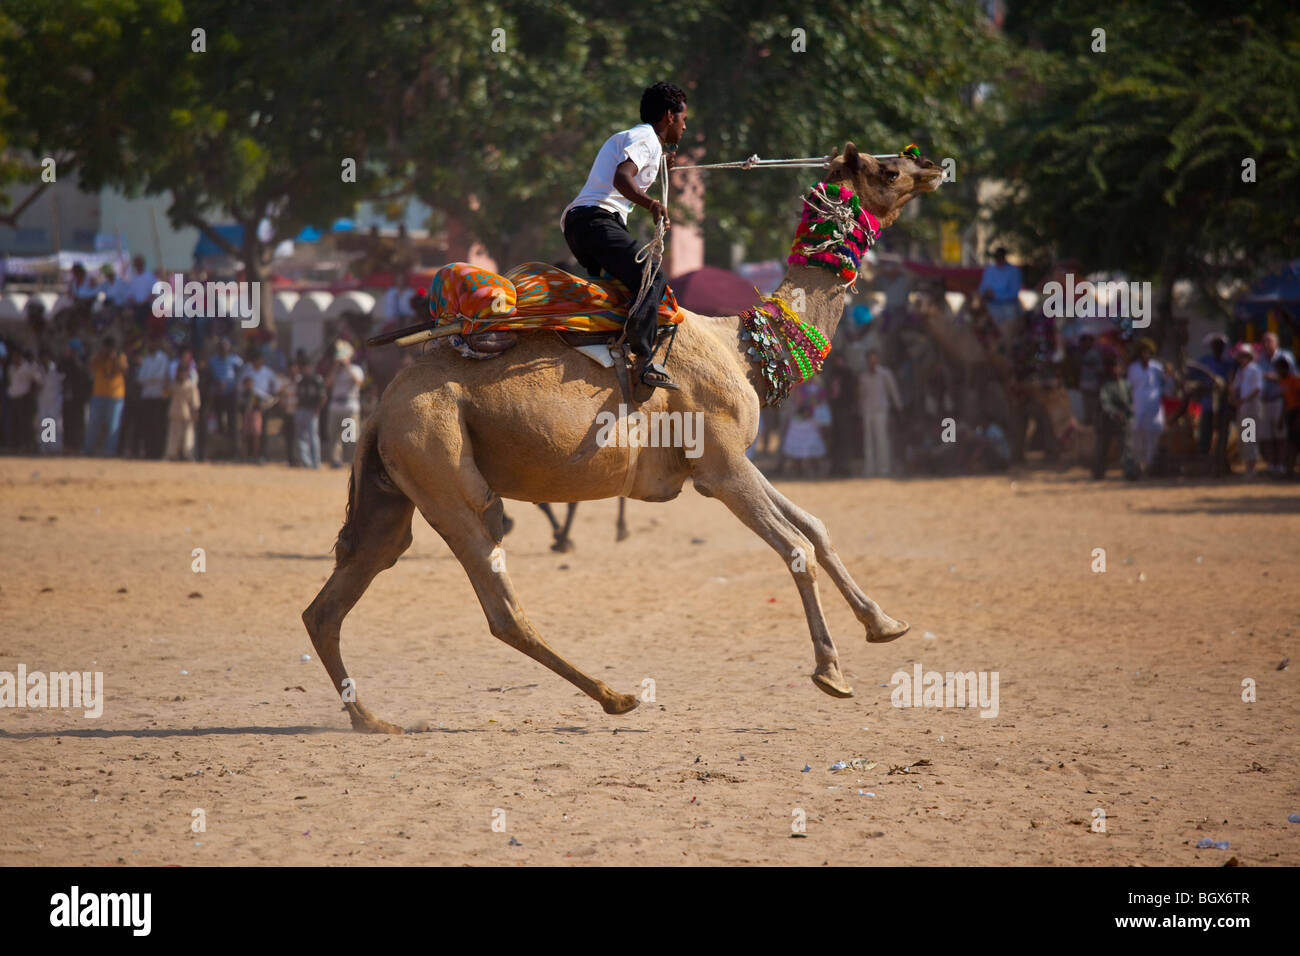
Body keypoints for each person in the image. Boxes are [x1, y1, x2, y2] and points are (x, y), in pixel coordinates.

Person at [561, 81, 687, 392]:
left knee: (622, 289)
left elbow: (629, 168)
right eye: (684, 119)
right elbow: (622, 177)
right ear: (669, 116)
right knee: (653, 278)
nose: (685, 127)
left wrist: (662, 162)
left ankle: (604, 345)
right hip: (597, 222)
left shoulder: (640, 139)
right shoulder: (646, 138)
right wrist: (652, 204)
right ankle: (643, 358)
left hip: (581, 227)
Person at [1256, 332, 1297, 475]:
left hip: (1280, 401)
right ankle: (1271, 464)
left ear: (1276, 343)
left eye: (1269, 341)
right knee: (1266, 436)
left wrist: (1274, 377)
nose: (1266, 344)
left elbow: (1292, 376)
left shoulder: (1285, 357)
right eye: (1264, 341)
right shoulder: (1259, 360)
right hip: (1263, 402)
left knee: (1281, 435)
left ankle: (1281, 464)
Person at [858, 349, 902, 477]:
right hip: (867, 410)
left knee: (882, 439)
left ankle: (884, 469)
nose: (872, 361)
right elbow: (861, 395)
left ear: (877, 359)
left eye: (874, 358)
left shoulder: (885, 374)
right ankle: (869, 470)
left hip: (881, 410)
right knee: (868, 441)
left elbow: (893, 390)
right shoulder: (863, 376)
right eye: (869, 359)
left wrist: (899, 406)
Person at [1126, 337, 1166, 477]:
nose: (1146, 355)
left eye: (1148, 352)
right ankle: (1138, 466)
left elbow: (1167, 383)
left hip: (1154, 408)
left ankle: (1150, 467)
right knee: (1137, 438)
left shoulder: (1157, 367)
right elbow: (1129, 387)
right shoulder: (1133, 368)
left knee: (1152, 438)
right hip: (1137, 407)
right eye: (1144, 352)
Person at [84, 336, 128, 456]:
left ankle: (110, 452)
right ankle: (88, 451)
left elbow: (124, 370)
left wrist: (115, 358)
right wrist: (100, 355)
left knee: (113, 425)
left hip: (116, 396)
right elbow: (90, 366)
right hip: (98, 394)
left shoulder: (121, 356)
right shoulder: (99, 357)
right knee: (93, 424)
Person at [1093, 351, 1133, 480]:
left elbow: (1131, 401)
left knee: (1126, 447)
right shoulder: (1106, 385)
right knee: (1102, 448)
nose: (1116, 369)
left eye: (1118, 366)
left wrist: (1129, 412)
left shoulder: (1126, 384)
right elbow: (1105, 403)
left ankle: (1130, 472)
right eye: (1114, 367)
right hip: (1107, 422)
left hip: (1123, 422)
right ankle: (1098, 473)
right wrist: (1115, 412)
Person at [325, 341, 364, 467]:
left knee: (351, 437)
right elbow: (327, 384)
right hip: (335, 406)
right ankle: (336, 461)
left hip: (350, 406)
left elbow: (358, 382)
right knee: (334, 436)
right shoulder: (335, 371)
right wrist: (335, 368)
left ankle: (352, 461)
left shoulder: (355, 369)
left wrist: (347, 366)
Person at [1230, 342, 1262, 478]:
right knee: (1244, 438)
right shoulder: (1240, 371)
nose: (1242, 358)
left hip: (1251, 407)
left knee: (1250, 437)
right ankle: (1248, 467)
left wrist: (1242, 400)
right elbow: (1234, 388)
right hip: (1242, 408)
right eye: (1240, 355)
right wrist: (1233, 398)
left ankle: (1251, 468)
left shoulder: (1254, 369)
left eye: (1244, 355)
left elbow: (1257, 388)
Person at [137, 337, 171, 459]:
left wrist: (149, 379)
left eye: (153, 342)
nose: (151, 344)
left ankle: (158, 453)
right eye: (150, 342)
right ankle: (148, 452)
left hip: (158, 398)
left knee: (158, 426)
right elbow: (140, 378)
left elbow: (160, 377)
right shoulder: (146, 359)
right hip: (146, 397)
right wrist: (151, 379)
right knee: (147, 426)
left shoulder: (163, 358)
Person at [5, 348, 43, 454]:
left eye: (16, 356)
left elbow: (38, 380)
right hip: (12, 398)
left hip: (24, 400)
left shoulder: (27, 367)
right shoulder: (11, 368)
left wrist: (33, 394)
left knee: (25, 424)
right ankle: (16, 446)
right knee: (14, 423)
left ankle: (28, 446)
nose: (14, 358)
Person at [58, 341, 91, 454]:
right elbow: (59, 370)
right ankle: (66, 446)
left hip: (79, 399)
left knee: (78, 424)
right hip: (67, 398)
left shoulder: (84, 362)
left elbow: (86, 378)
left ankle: (77, 447)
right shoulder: (64, 362)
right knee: (67, 423)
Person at [294, 357, 327, 469]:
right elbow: (298, 396)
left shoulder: (317, 380)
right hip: (302, 410)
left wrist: (317, 410)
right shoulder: (301, 381)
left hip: (312, 410)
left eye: (307, 367)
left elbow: (323, 397)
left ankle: (316, 462)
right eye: (304, 368)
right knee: (302, 436)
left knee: (313, 437)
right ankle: (306, 461)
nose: (305, 370)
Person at [978, 247, 1022, 327]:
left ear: (1004, 257)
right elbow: (982, 287)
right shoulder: (990, 270)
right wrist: (985, 292)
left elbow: (1014, 293)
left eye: (999, 257)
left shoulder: (1013, 271)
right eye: (996, 257)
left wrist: (996, 296)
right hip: (990, 304)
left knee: (1009, 315)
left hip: (1007, 306)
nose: (998, 259)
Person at [165, 363, 201, 461]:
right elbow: (165, 394)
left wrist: (195, 412)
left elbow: (195, 401)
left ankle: (188, 455)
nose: (181, 374)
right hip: (174, 413)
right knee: (173, 437)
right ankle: (172, 455)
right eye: (180, 372)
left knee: (188, 437)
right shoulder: (174, 385)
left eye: (183, 372)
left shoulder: (191, 386)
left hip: (187, 415)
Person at [1275, 356, 1300, 478]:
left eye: (1280, 369)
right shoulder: (1282, 381)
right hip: (1290, 414)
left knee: (1295, 443)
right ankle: (1288, 471)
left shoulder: (1295, 380)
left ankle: (1290, 470)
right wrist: (1280, 418)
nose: (1278, 371)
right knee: (1291, 443)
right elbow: (1285, 401)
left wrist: (1298, 419)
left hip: (1297, 413)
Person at [35, 347, 63, 454]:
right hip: (43, 400)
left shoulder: (56, 369)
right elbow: (37, 385)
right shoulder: (39, 370)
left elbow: (62, 381)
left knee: (54, 424)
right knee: (44, 423)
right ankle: (45, 448)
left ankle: (54, 448)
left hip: (55, 400)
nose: (44, 359)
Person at [126, 255, 159, 330]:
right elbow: (129, 294)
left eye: (139, 264)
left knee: (141, 313)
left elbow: (154, 291)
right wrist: (134, 301)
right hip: (137, 305)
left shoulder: (149, 276)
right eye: (136, 265)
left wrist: (145, 301)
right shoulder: (133, 278)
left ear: (143, 264)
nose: (138, 266)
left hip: (148, 305)